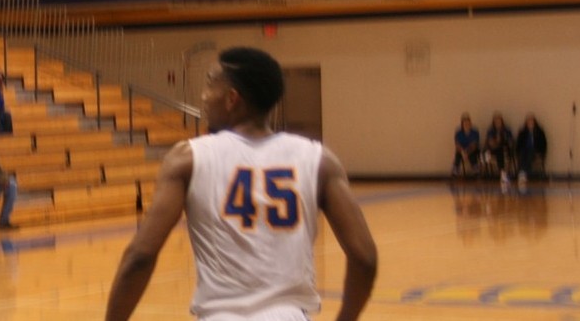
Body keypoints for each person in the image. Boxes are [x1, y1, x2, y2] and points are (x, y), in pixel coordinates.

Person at [105, 47, 377, 321]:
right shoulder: (319, 160)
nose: (203, 96)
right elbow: (365, 258)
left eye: (210, 85)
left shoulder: (188, 158)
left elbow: (140, 256)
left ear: (231, 99)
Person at [484, 112, 515, 184]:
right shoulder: (491, 130)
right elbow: (491, 143)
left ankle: (507, 173)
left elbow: (511, 141)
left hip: (506, 148)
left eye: (499, 121)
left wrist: (507, 141)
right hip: (494, 149)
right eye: (496, 121)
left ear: (502, 121)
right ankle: (501, 173)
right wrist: (497, 140)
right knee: (498, 150)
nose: (498, 123)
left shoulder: (507, 130)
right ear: (493, 122)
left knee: (508, 151)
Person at [516, 113, 548, 183]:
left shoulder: (540, 132)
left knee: (530, 153)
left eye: (531, 122)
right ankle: (522, 173)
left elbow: (543, 144)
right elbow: (519, 144)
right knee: (523, 154)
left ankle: (527, 174)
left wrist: (541, 152)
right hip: (524, 150)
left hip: (536, 150)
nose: (530, 123)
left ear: (534, 123)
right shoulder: (522, 132)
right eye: (528, 122)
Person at [453, 113, 480, 178]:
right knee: (457, 154)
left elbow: (474, 144)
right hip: (462, 150)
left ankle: (476, 171)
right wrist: (462, 152)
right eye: (464, 122)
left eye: (468, 122)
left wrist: (467, 152)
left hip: (472, 149)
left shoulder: (475, 132)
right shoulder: (458, 132)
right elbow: (457, 144)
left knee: (473, 154)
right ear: (462, 124)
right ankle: (455, 171)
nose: (466, 124)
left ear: (470, 123)